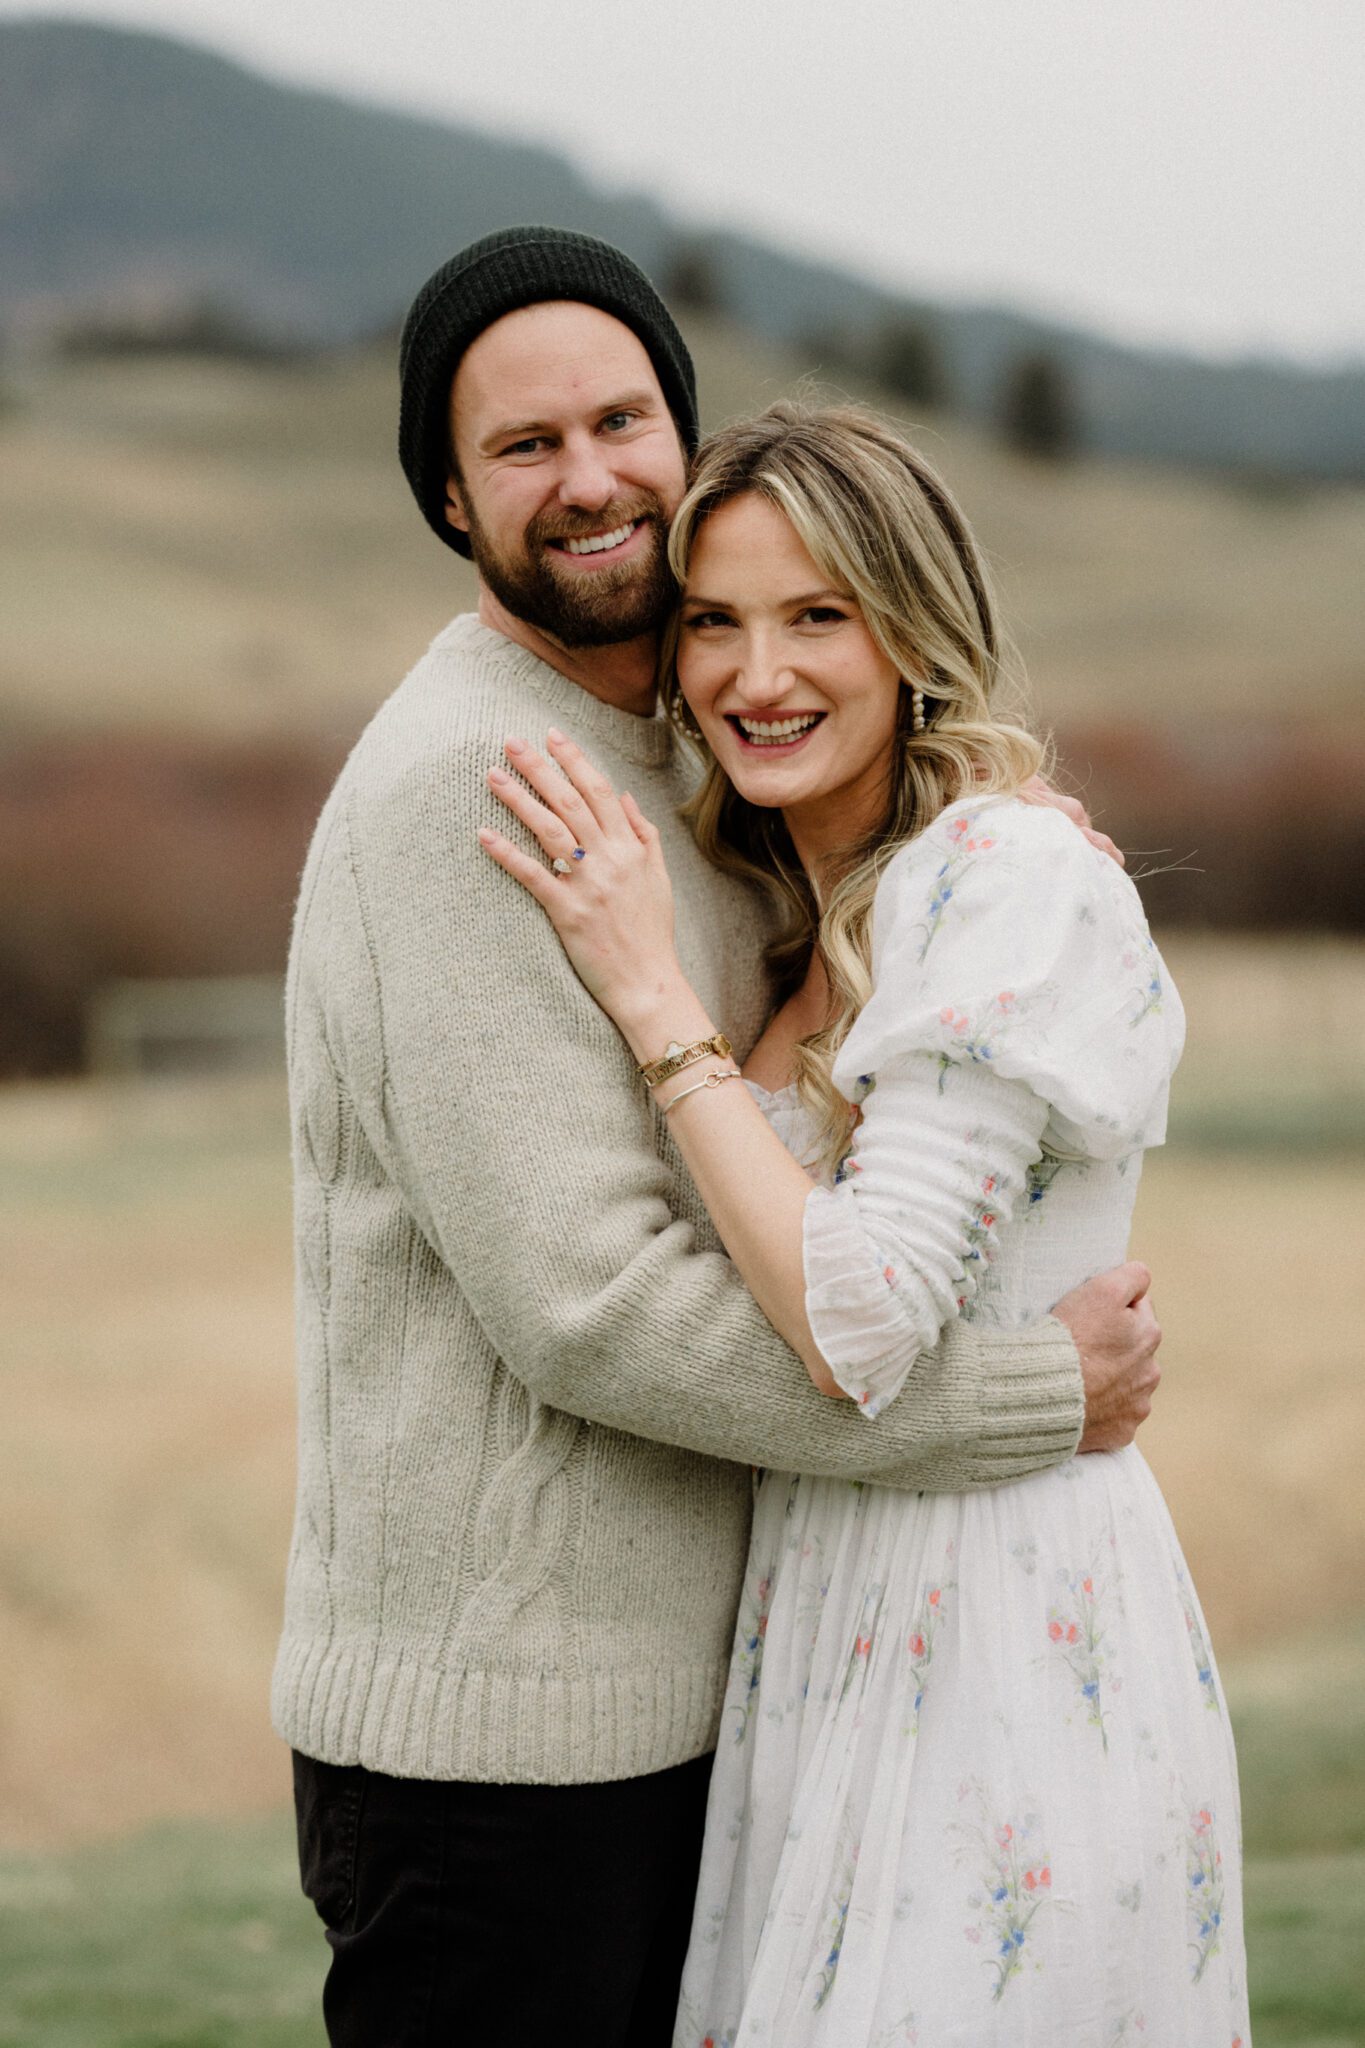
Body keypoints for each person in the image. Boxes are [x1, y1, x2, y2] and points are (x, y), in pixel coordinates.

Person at [275, 228, 1163, 2048]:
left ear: (683, 446)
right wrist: (1026, 1404)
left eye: (622, 420)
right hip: (511, 1747)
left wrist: (973, 829)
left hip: (724, 1696)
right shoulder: (479, 786)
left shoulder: (692, 771)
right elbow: (594, 1304)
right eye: (524, 445)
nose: (591, 476)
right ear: (447, 495)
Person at [481, 398, 1249, 2043]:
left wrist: (647, 1001)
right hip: (821, 1621)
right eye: (716, 623)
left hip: (997, 1627)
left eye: (815, 614)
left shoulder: (1003, 874)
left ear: (912, 634)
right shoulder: (808, 908)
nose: (758, 675)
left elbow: (863, 1318)